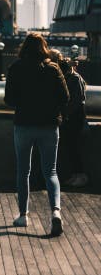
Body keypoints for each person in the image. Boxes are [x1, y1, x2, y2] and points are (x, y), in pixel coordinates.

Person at [4, 32, 69, 237]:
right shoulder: (53, 69)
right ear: (44, 48)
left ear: (24, 47)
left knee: (23, 171)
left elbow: (9, 99)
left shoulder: (16, 68)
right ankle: (55, 212)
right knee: (50, 172)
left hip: (24, 125)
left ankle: (23, 216)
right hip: (49, 126)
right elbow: (65, 97)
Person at [59, 58, 88, 187]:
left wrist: (65, 114)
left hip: (74, 119)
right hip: (73, 118)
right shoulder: (74, 77)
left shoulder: (74, 78)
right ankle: (75, 175)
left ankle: (80, 175)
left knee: (74, 146)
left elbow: (76, 101)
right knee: (71, 147)